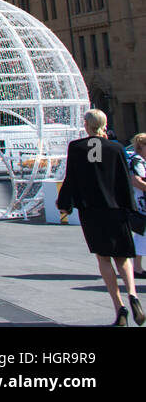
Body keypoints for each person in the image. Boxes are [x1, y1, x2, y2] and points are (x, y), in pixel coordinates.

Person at [56, 109, 143, 326]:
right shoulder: (116, 148)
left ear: (87, 125)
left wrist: (65, 204)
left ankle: (119, 307)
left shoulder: (76, 148)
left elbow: (71, 179)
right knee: (122, 258)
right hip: (116, 209)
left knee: (103, 258)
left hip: (92, 211)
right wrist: (130, 208)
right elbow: (124, 180)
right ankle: (133, 294)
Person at [128, 134, 146, 279]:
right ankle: (137, 268)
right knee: (142, 233)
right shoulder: (137, 161)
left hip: (139, 201)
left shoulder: (137, 159)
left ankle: (137, 267)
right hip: (142, 202)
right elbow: (137, 181)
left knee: (142, 234)